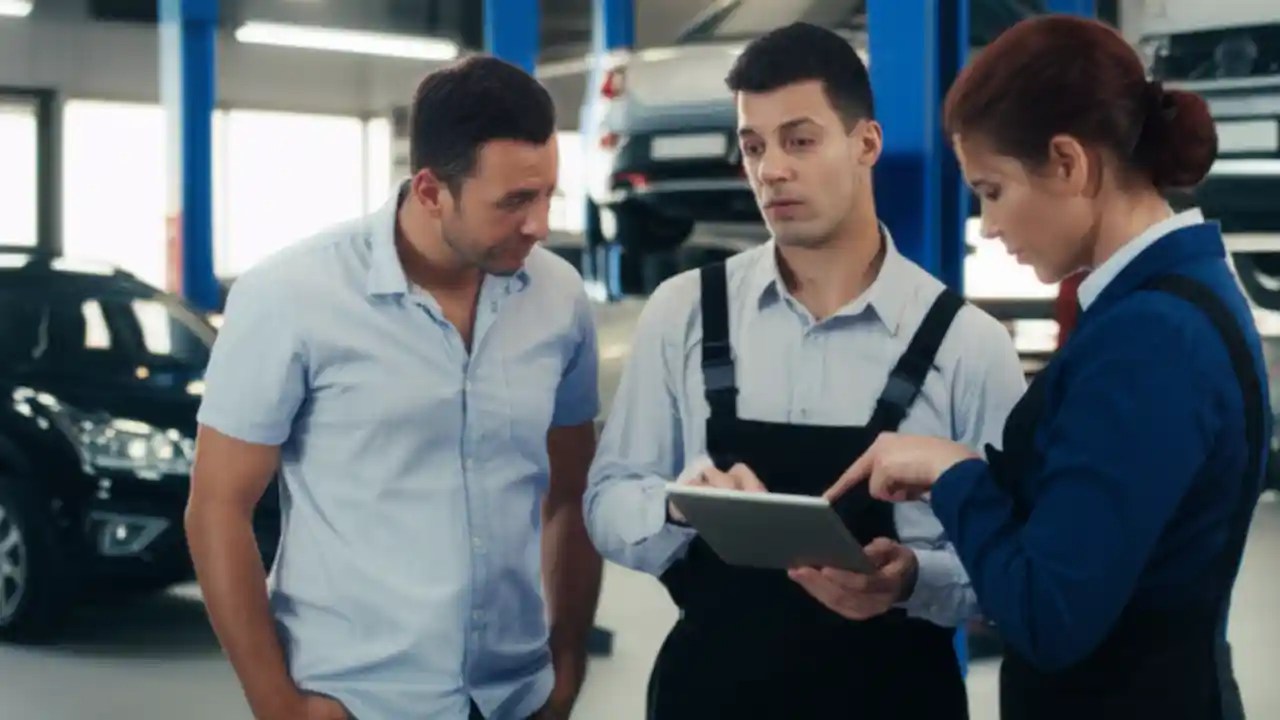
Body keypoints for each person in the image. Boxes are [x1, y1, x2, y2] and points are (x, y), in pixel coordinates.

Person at [824, 15, 1267, 720]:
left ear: (1069, 163)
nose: (989, 225)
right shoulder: (1173, 298)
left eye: (992, 190)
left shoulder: (1148, 339)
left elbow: (1049, 613)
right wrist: (919, 575)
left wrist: (955, 475)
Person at [583, 23, 1026, 720]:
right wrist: (676, 502)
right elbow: (606, 501)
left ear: (866, 144)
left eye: (800, 140)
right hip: (708, 697)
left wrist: (914, 578)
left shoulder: (966, 345)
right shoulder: (684, 315)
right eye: (754, 146)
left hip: (897, 701)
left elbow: (1013, 564)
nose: (771, 169)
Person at [185, 56, 603, 720]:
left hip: (514, 697)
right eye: (515, 201)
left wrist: (568, 661)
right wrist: (276, 704)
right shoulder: (291, 296)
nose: (540, 225)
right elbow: (216, 508)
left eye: (548, 193)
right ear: (433, 191)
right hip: (359, 700)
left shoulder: (557, 298)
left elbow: (571, 493)